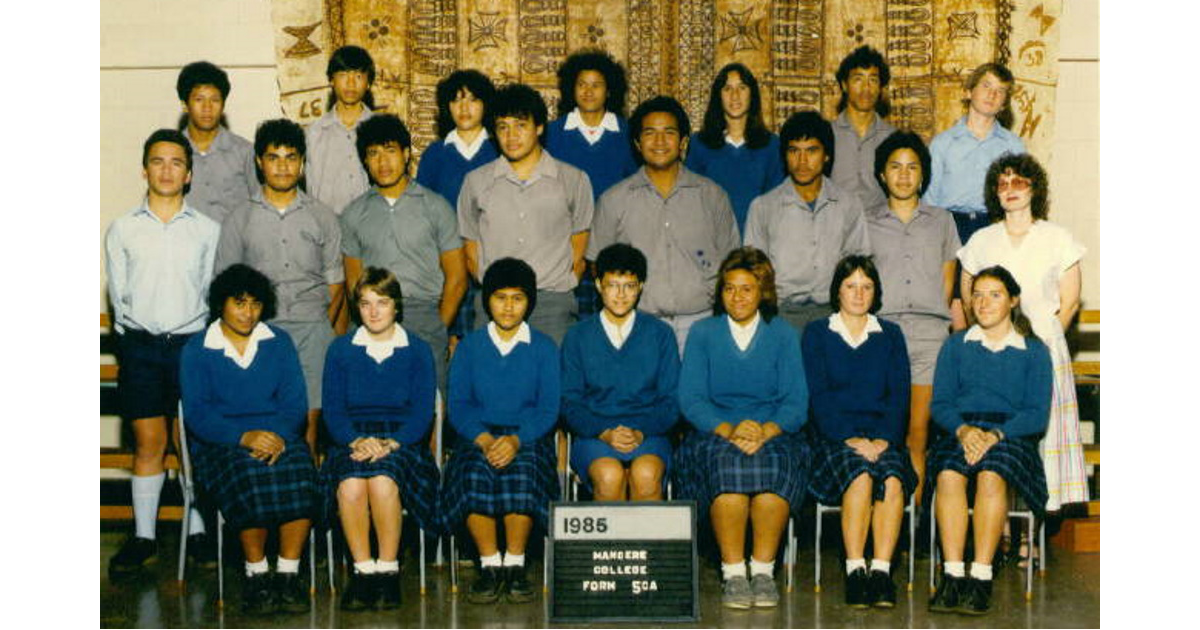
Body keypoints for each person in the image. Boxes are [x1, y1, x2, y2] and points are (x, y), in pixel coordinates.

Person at [105, 129, 221, 577]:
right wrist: (133, 342)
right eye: (158, 161)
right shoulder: (123, 228)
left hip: (191, 346)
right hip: (141, 346)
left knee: (190, 442)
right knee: (149, 443)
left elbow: (210, 293)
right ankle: (144, 537)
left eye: (176, 162)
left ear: (188, 174)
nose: (167, 170)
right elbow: (119, 295)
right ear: (144, 170)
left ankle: (198, 533)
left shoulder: (207, 230)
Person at [179, 264, 319, 615]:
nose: (248, 313)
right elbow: (197, 414)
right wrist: (243, 437)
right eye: (239, 303)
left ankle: (288, 574)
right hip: (221, 443)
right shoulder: (197, 349)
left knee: (301, 472)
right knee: (249, 475)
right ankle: (256, 575)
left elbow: (295, 404)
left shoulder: (279, 342)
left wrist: (279, 437)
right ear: (221, 304)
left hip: (279, 436)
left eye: (255, 304)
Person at [675, 247, 809, 609]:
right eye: (729, 288)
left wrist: (766, 430)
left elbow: (796, 401)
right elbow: (691, 398)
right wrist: (728, 429)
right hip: (717, 432)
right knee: (727, 470)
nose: (737, 297)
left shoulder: (782, 333)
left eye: (747, 289)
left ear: (762, 291)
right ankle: (733, 572)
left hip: (773, 432)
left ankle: (763, 571)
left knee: (774, 471)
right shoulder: (703, 333)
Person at [957, 153, 1087, 517]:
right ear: (994, 193)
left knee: (1042, 438)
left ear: (1034, 188)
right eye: (1002, 183)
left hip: (1043, 350)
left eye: (1018, 182)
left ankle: (1035, 527)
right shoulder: (981, 240)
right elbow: (968, 299)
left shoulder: (1058, 238)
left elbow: (1070, 302)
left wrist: (1036, 351)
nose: (1010, 189)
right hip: (993, 354)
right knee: (996, 440)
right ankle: (999, 529)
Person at [927, 266, 1051, 616]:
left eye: (995, 295)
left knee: (990, 474)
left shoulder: (1033, 351)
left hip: (1011, 434)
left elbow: (1036, 413)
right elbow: (941, 404)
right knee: (948, 474)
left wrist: (996, 435)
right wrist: (964, 431)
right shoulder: (956, 345)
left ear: (1013, 301)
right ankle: (953, 575)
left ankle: (981, 577)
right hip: (962, 430)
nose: (984, 303)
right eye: (977, 295)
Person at [215, 118, 344, 456]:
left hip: (312, 331)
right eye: (274, 157)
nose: (283, 166)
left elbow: (336, 285)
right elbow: (226, 287)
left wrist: (320, 325)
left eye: (291, 157)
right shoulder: (239, 218)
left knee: (310, 426)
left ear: (302, 163)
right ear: (260, 162)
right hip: (260, 332)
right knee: (266, 424)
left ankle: (309, 484)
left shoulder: (323, 216)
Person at [440, 258, 561, 605]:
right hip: (479, 435)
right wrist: (484, 440)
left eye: (518, 298)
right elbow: (458, 406)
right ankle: (490, 564)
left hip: (527, 435)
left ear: (530, 302)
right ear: (487, 301)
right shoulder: (469, 347)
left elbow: (548, 409)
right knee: (473, 473)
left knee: (523, 472)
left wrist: (516, 440)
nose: (509, 307)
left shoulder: (544, 347)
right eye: (500, 297)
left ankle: (515, 563)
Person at [321, 267, 440, 610]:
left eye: (382, 303)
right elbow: (333, 411)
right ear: (357, 308)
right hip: (352, 437)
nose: (373, 312)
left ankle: (387, 571)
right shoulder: (340, 350)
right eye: (365, 303)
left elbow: (422, 413)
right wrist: (355, 440)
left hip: (402, 439)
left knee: (383, 482)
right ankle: (363, 573)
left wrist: (392, 443)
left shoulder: (417, 349)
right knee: (351, 486)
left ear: (396, 306)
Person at [801, 255, 913, 609]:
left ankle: (880, 572)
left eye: (867, 286)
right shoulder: (817, 333)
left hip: (882, 436)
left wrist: (883, 439)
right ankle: (854, 571)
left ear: (876, 292)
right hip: (834, 437)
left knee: (892, 479)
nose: (859, 293)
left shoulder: (890, 335)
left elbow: (899, 395)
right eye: (851, 286)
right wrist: (848, 437)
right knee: (860, 476)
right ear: (837, 291)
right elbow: (817, 396)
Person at [588, 96, 740, 354]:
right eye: (650, 133)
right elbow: (597, 265)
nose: (659, 141)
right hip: (638, 325)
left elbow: (732, 262)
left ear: (683, 142)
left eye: (669, 132)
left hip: (702, 325)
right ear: (637, 143)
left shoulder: (713, 196)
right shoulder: (613, 200)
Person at [457, 83, 594, 344]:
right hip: (493, 305)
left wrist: (563, 285)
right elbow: (471, 251)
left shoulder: (573, 180)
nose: (511, 136)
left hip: (551, 307)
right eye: (502, 127)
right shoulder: (475, 181)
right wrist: (494, 289)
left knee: (553, 371)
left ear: (539, 127)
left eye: (521, 125)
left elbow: (579, 252)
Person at [865, 131, 960, 505]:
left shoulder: (941, 221)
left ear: (923, 175)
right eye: (895, 167)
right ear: (881, 174)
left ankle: (913, 522)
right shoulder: (865, 221)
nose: (903, 175)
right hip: (881, 336)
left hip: (928, 337)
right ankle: (882, 519)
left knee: (917, 435)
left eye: (912, 167)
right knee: (882, 434)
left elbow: (948, 280)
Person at [341, 114, 467, 391]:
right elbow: (353, 283)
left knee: (429, 403)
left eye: (390, 151)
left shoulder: (436, 207)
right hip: (372, 320)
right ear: (365, 161)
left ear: (406, 154)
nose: (383, 162)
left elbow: (457, 278)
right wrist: (370, 321)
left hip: (424, 316)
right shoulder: (353, 214)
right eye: (373, 153)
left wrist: (438, 325)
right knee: (374, 402)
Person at [561, 244, 680, 501]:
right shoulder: (577, 336)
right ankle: (609, 533)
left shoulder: (661, 334)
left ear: (641, 286)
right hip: (595, 434)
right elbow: (570, 402)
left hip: (649, 434)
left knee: (646, 474)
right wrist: (603, 432)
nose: (621, 295)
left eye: (629, 286)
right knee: (609, 475)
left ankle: (649, 532)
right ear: (598, 285)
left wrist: (640, 431)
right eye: (613, 285)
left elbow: (672, 401)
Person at [743, 110, 870, 333]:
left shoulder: (849, 205)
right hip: (782, 315)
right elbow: (754, 274)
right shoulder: (763, 207)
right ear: (785, 155)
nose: (802, 161)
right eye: (794, 151)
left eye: (812, 151)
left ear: (826, 155)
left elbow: (858, 268)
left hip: (835, 314)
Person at [415, 69, 499, 341]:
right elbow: (422, 211)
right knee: (447, 340)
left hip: (490, 260)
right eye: (456, 100)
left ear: (485, 105)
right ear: (447, 106)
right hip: (445, 264)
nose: (464, 108)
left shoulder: (499, 150)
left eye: (473, 99)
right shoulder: (434, 154)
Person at [924, 63, 1025, 246]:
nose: (992, 95)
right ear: (969, 92)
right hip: (950, 227)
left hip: (995, 227)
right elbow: (929, 199)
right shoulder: (943, 143)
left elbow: (1020, 199)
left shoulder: (1013, 146)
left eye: (1000, 91)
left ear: (1004, 104)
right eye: (986, 86)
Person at [685, 63, 784, 233]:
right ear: (718, 96)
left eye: (742, 88)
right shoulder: (699, 144)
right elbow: (690, 201)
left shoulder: (772, 146)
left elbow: (776, 205)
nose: (735, 95)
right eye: (727, 89)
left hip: (758, 241)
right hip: (711, 240)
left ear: (752, 94)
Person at [546, 49, 638, 201]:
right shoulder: (552, 133)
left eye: (596, 85)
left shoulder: (628, 133)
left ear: (608, 90)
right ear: (572, 89)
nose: (588, 91)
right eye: (582, 84)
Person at [176, 61, 257, 224]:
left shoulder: (245, 152)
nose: (207, 107)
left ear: (223, 105)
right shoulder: (172, 152)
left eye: (215, 100)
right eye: (199, 99)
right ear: (185, 105)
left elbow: (260, 205)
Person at [306, 45, 376, 215]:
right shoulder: (315, 132)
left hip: (370, 223)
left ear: (368, 83)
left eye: (358, 76)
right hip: (326, 224)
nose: (351, 83)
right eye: (343, 75)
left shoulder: (381, 129)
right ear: (331, 80)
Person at [831, 46, 897, 211]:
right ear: (844, 85)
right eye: (858, 79)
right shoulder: (826, 135)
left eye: (873, 80)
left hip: (880, 223)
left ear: (880, 87)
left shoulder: (893, 139)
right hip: (835, 222)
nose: (866, 88)